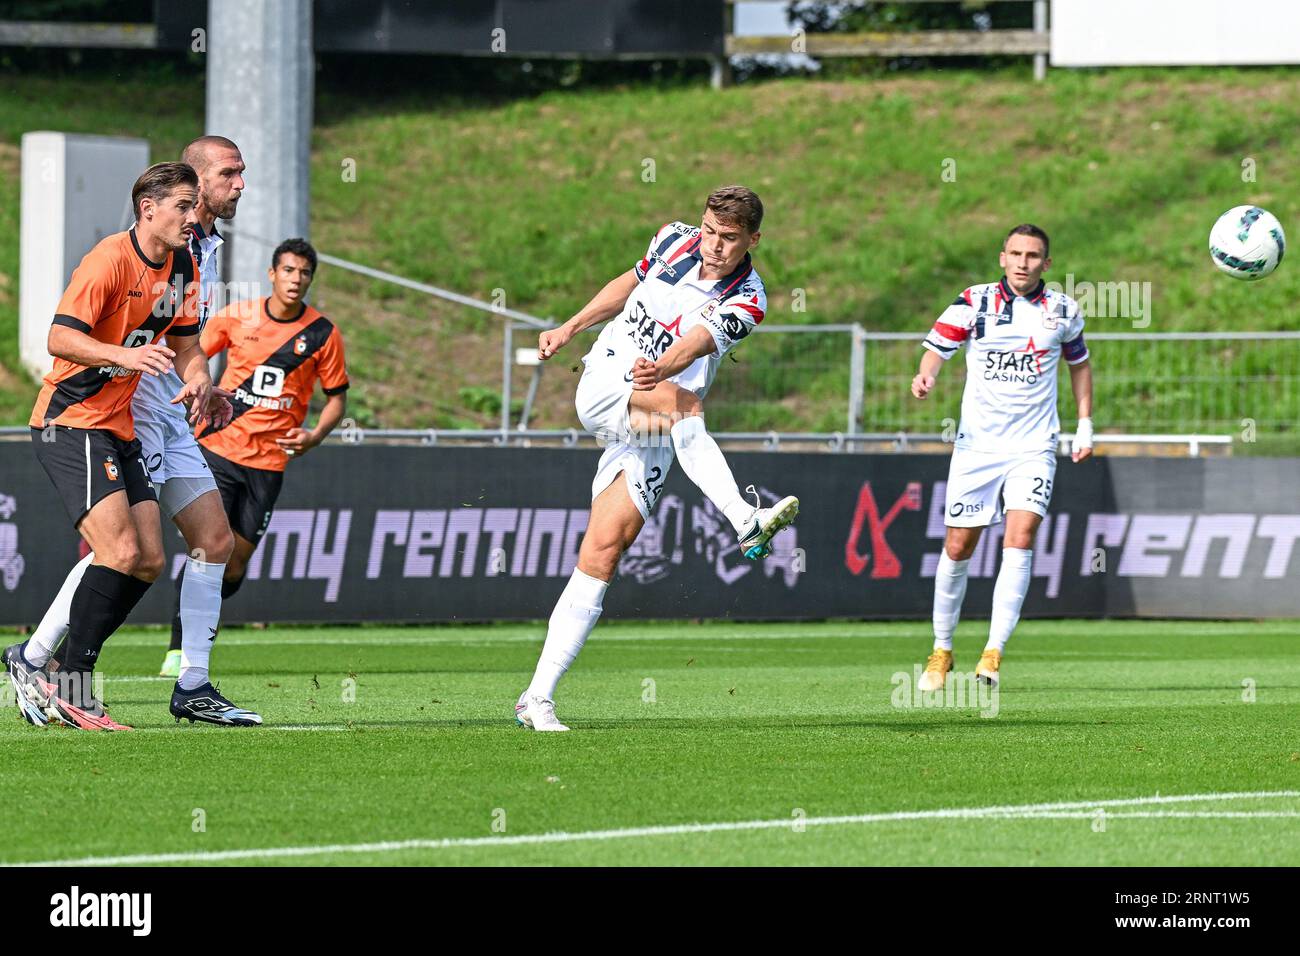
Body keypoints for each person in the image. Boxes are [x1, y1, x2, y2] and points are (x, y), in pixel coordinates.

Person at [515, 185, 799, 732]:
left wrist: (662, 368)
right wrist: (571, 326)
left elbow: (696, 342)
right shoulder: (674, 239)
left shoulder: (749, 297)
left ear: (753, 240)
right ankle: (746, 520)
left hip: (655, 417)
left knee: (603, 551)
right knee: (687, 404)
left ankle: (537, 698)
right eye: (711, 232)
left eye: (730, 239)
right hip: (608, 384)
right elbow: (630, 284)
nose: (714, 246)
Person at [32, 136, 261, 726]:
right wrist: (125, 357)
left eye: (193, 207)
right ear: (150, 208)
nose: (193, 216)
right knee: (120, 549)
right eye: (184, 205)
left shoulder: (185, 260)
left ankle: (184, 683)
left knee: (160, 556)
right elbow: (59, 338)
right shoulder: (112, 257)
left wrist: (201, 381)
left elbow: (187, 343)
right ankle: (55, 671)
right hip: (80, 417)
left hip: (133, 419)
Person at [911, 224, 1093, 691]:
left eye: (1033, 255)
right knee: (958, 548)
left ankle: (992, 653)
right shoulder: (973, 301)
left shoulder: (1063, 311)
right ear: (1002, 257)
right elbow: (937, 349)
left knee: (1022, 535)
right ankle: (942, 649)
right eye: (1015, 253)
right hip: (978, 447)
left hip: (1034, 446)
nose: (1023, 262)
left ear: (1046, 264)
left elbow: (1079, 364)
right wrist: (926, 375)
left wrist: (1085, 424)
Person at [192, 238, 349, 602]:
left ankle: (203, 622)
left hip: (268, 463)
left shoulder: (323, 334)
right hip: (217, 448)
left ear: (311, 280)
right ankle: (179, 651)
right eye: (288, 270)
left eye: (304, 273)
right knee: (208, 550)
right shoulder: (237, 317)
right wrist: (202, 389)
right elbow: (190, 355)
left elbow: (336, 400)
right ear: (272, 274)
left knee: (234, 565)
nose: (296, 279)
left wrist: (315, 436)